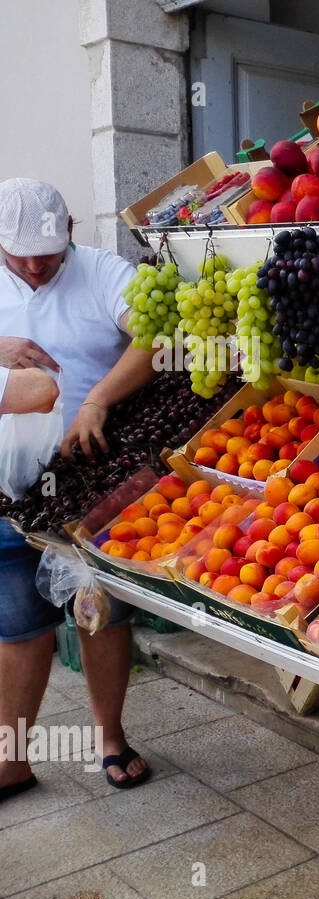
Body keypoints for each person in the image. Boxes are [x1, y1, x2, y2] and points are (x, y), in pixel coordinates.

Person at [0, 178, 157, 798]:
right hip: (9, 490)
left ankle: (110, 738)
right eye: (20, 255)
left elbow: (153, 338)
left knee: (100, 614)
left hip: (95, 478)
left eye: (47, 250)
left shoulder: (102, 271)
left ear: (69, 231)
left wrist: (94, 401)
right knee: (17, 624)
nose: (36, 266)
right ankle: (12, 759)